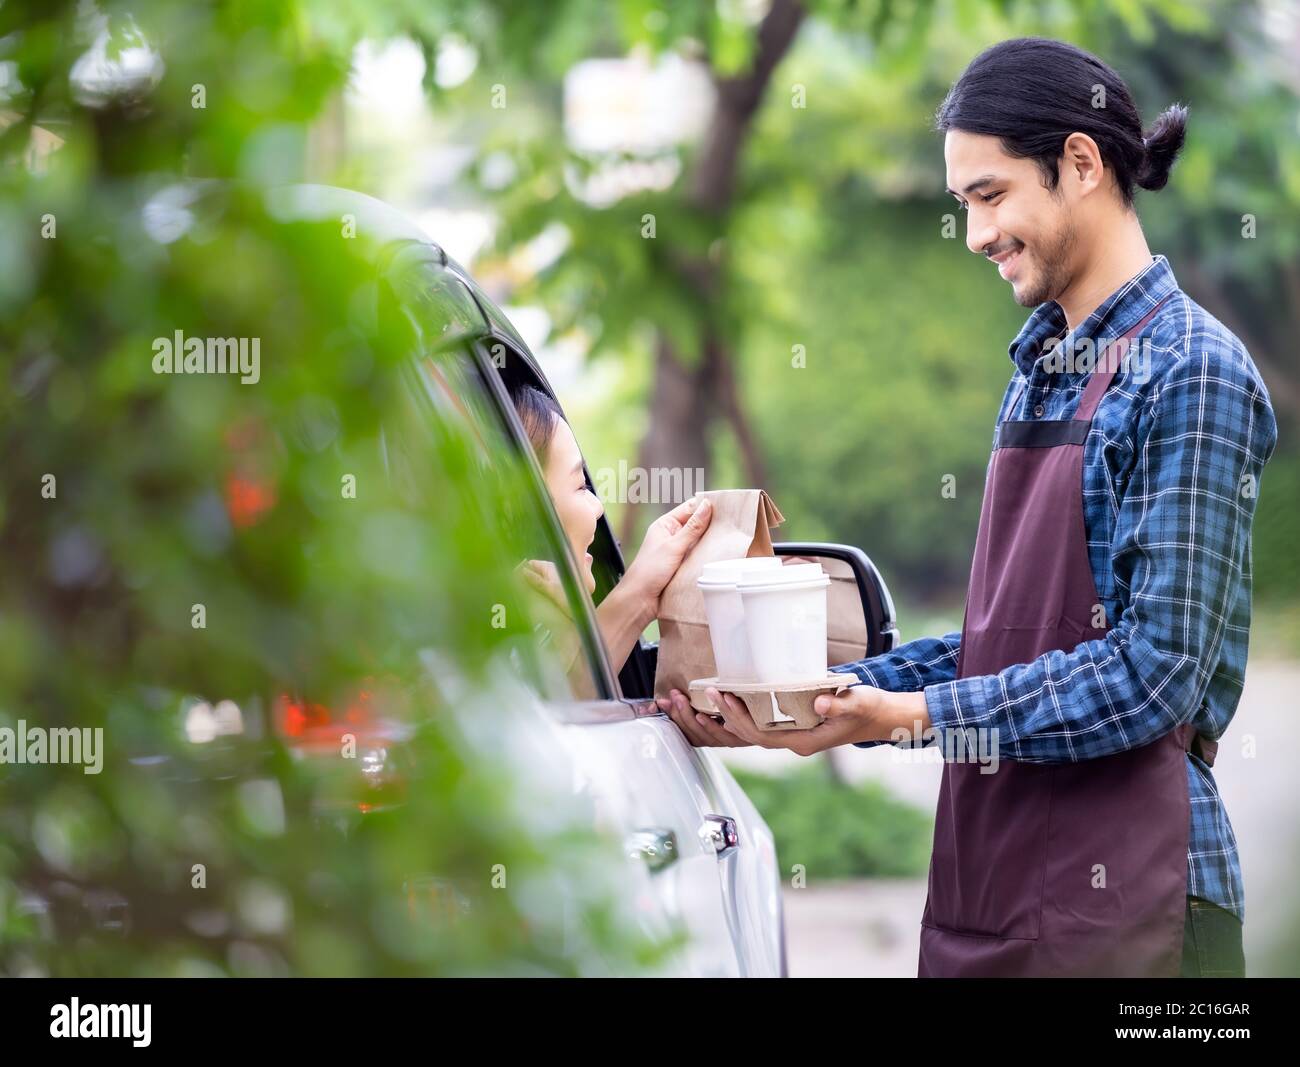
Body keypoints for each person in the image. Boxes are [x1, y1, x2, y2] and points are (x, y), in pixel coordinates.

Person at [670, 37, 1278, 979]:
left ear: (1080, 163)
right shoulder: (1038, 375)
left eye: (989, 196)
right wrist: (819, 697)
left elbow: (1152, 674)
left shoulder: (1191, 372)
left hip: (1145, 909)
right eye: (964, 204)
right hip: (995, 890)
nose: (975, 233)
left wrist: (907, 715)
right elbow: (1014, 643)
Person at [509, 383, 712, 679]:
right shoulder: (506, 655)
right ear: (523, 512)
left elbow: (575, 696)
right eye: (580, 486)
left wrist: (641, 594)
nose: (598, 507)